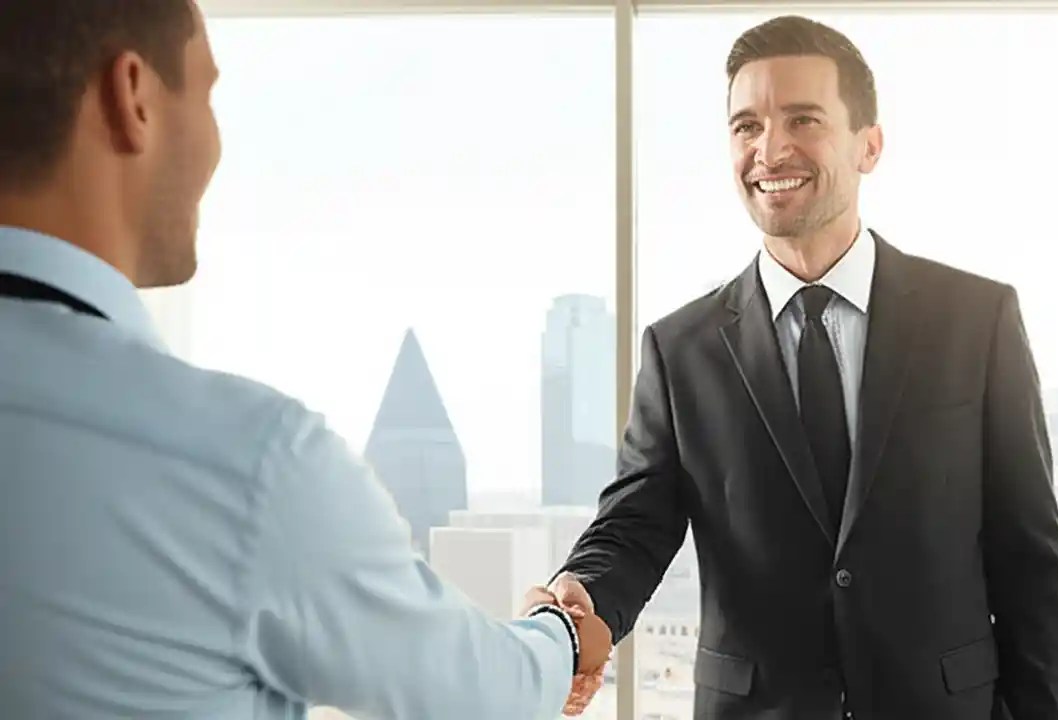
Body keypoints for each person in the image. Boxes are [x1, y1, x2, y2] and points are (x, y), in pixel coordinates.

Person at [0, 1, 609, 718]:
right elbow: (478, 691)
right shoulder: (240, 461)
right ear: (131, 96)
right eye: (207, 92)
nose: (217, 142)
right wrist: (563, 636)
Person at [546, 15, 1058, 720]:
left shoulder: (978, 322)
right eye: (746, 126)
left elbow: (1030, 562)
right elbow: (634, 525)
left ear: (869, 145)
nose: (770, 149)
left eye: (803, 119)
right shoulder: (681, 351)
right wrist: (582, 594)